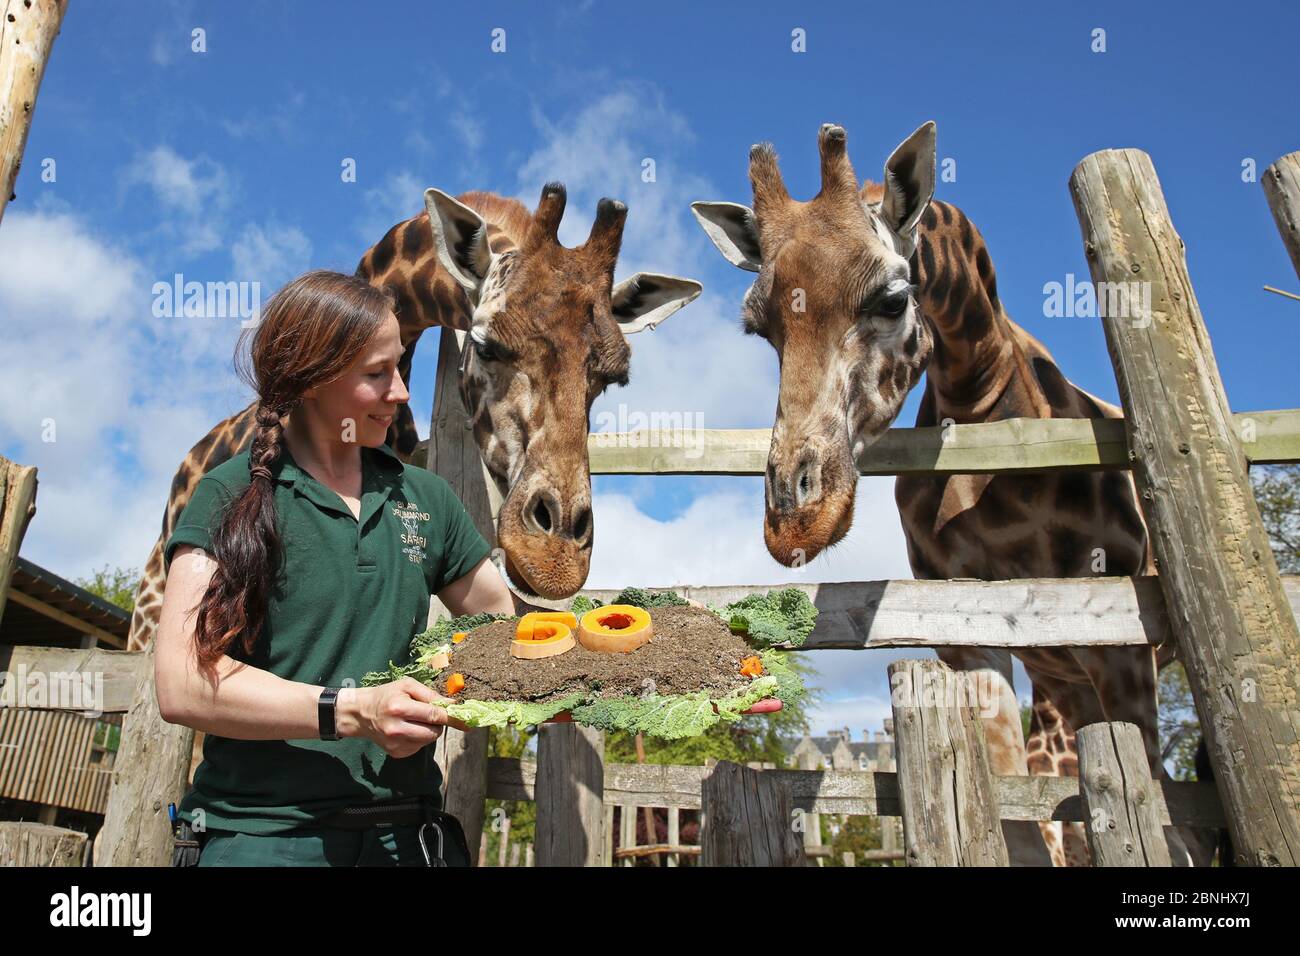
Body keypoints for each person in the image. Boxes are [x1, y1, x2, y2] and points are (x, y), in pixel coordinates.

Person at [155, 269, 520, 867]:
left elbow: (502, 630)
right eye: (377, 374)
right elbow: (183, 683)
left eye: (399, 368)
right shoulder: (229, 496)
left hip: (409, 838)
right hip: (264, 837)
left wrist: (662, 656)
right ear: (313, 379)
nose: (400, 392)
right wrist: (352, 711)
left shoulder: (424, 499)